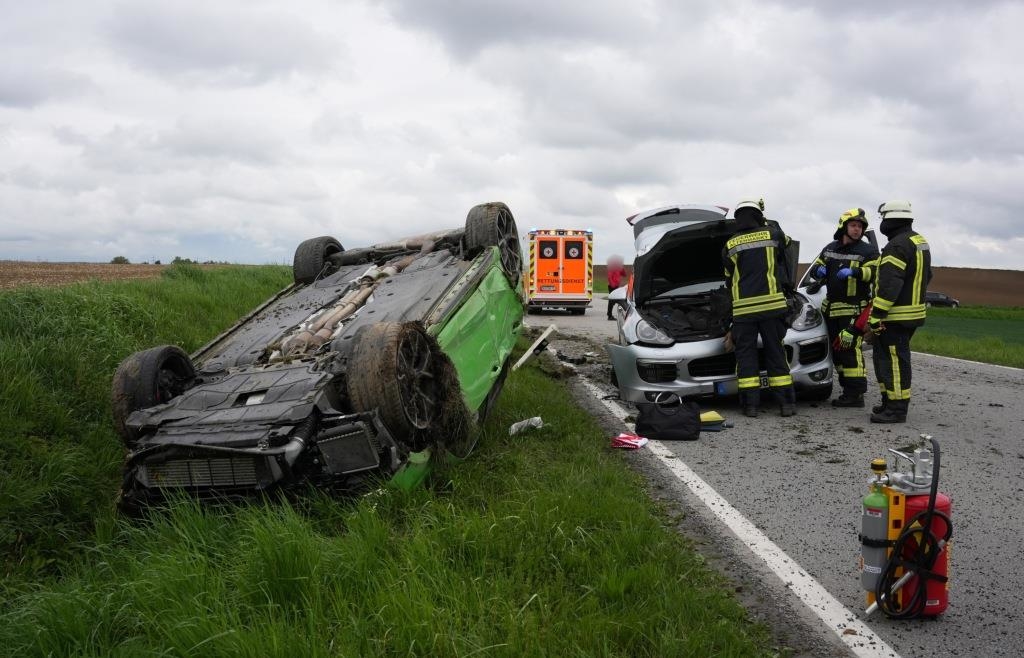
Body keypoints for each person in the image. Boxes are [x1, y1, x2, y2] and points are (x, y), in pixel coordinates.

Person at [722, 198, 797, 417]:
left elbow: (728, 279)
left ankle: (750, 406)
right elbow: (788, 244)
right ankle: (786, 405)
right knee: (776, 353)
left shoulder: (730, 244)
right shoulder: (773, 234)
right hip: (773, 307)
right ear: (758, 215)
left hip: (743, 311)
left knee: (745, 357)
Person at [806, 208, 880, 407]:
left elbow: (875, 272)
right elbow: (815, 270)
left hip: (853, 308)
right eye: (853, 225)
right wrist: (817, 270)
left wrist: (855, 272)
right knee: (837, 352)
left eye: (860, 226)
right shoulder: (830, 248)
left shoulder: (868, 251)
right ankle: (847, 390)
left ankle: (856, 394)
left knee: (849, 350)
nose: (857, 230)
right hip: (831, 309)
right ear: (844, 226)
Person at [868, 200, 932, 423]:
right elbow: (927, 276)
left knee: (894, 362)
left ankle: (896, 410)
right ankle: (889, 402)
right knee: (886, 359)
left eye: (884, 218)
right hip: (913, 314)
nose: (882, 223)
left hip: (895, 316)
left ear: (892, 219)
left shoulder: (897, 245)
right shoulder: (918, 241)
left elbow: (889, 285)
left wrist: (876, 315)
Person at [606, 255, 628, 320]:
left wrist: (622, 268)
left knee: (614, 300)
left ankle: (610, 314)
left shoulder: (619, 268)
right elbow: (609, 277)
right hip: (612, 286)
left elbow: (624, 275)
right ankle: (609, 315)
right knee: (612, 300)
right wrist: (613, 285)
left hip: (616, 286)